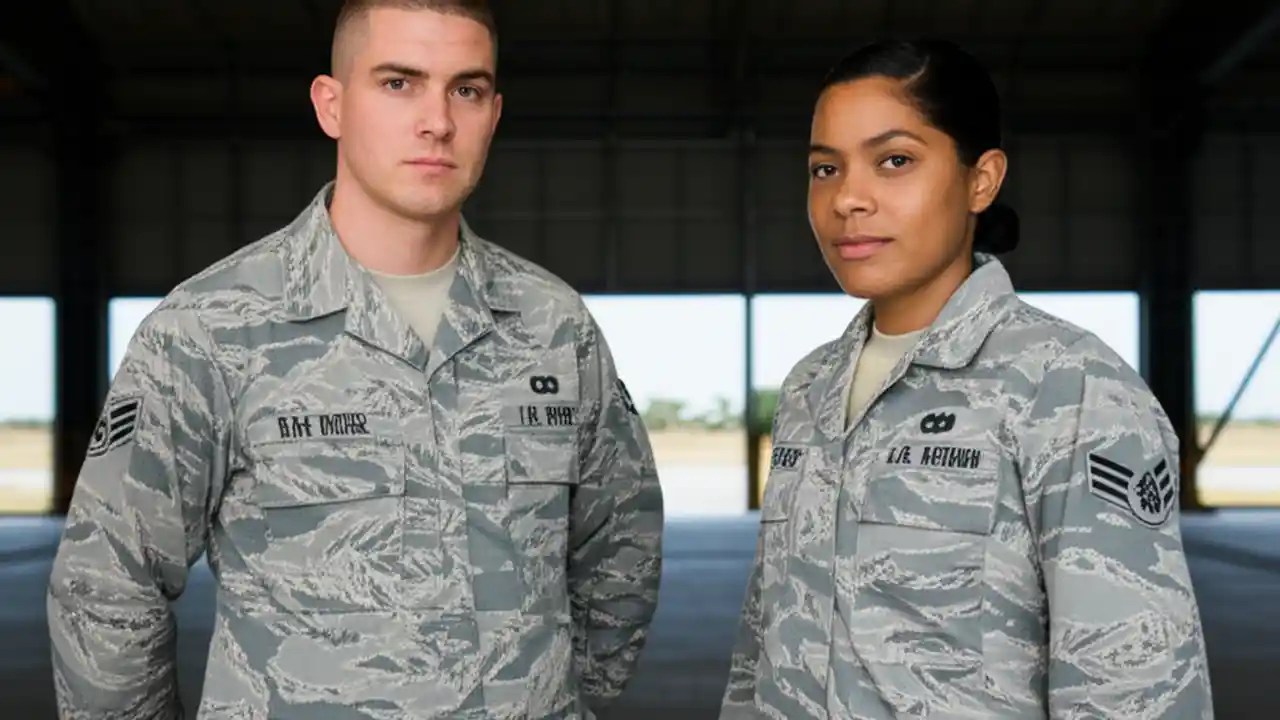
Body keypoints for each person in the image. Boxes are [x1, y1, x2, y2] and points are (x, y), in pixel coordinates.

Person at [47, 1, 663, 717]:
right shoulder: (211, 329)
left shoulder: (553, 326)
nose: (437, 120)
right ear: (331, 105)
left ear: (493, 112)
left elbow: (622, 550)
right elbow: (107, 585)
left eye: (465, 89)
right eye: (399, 83)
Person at [720, 39, 1212, 719]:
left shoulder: (1067, 389)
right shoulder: (812, 389)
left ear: (981, 178)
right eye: (824, 169)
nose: (848, 199)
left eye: (894, 161)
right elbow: (763, 644)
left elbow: (1132, 687)